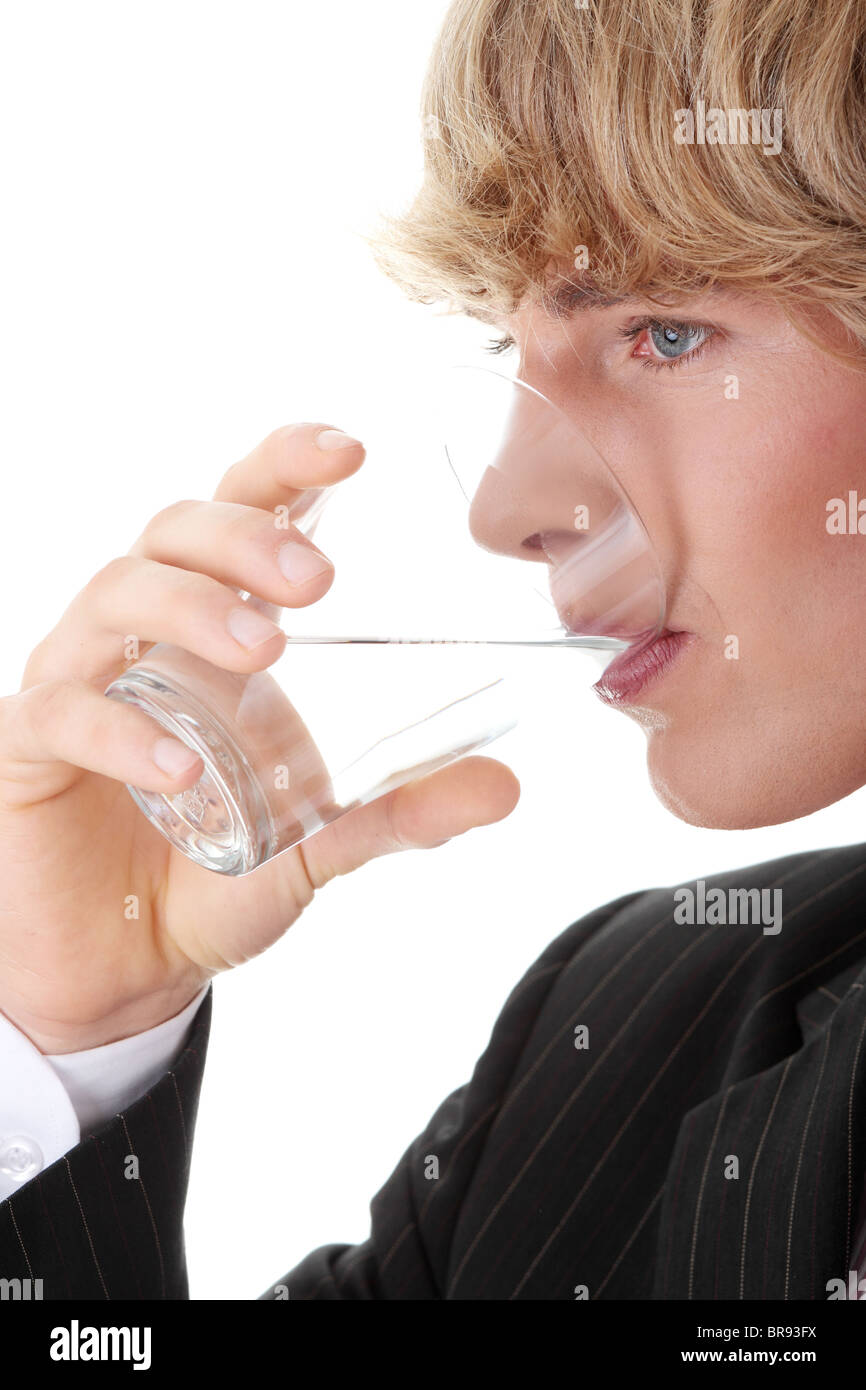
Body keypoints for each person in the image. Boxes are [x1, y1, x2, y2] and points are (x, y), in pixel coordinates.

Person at [2, 0, 866, 1300]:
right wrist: (64, 1033)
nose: (501, 504)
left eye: (662, 329)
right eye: (502, 342)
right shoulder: (622, 1052)